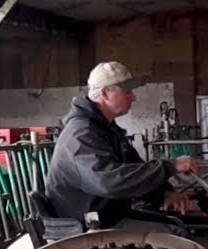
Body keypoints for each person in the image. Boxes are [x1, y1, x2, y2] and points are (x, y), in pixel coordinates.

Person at [46, 61, 198, 231]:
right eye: (127, 91)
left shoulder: (106, 128)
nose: (133, 97)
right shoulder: (81, 133)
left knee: (176, 226)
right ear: (105, 93)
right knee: (174, 235)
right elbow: (109, 182)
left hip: (109, 214)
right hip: (88, 225)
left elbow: (132, 166)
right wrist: (171, 166)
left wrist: (162, 194)